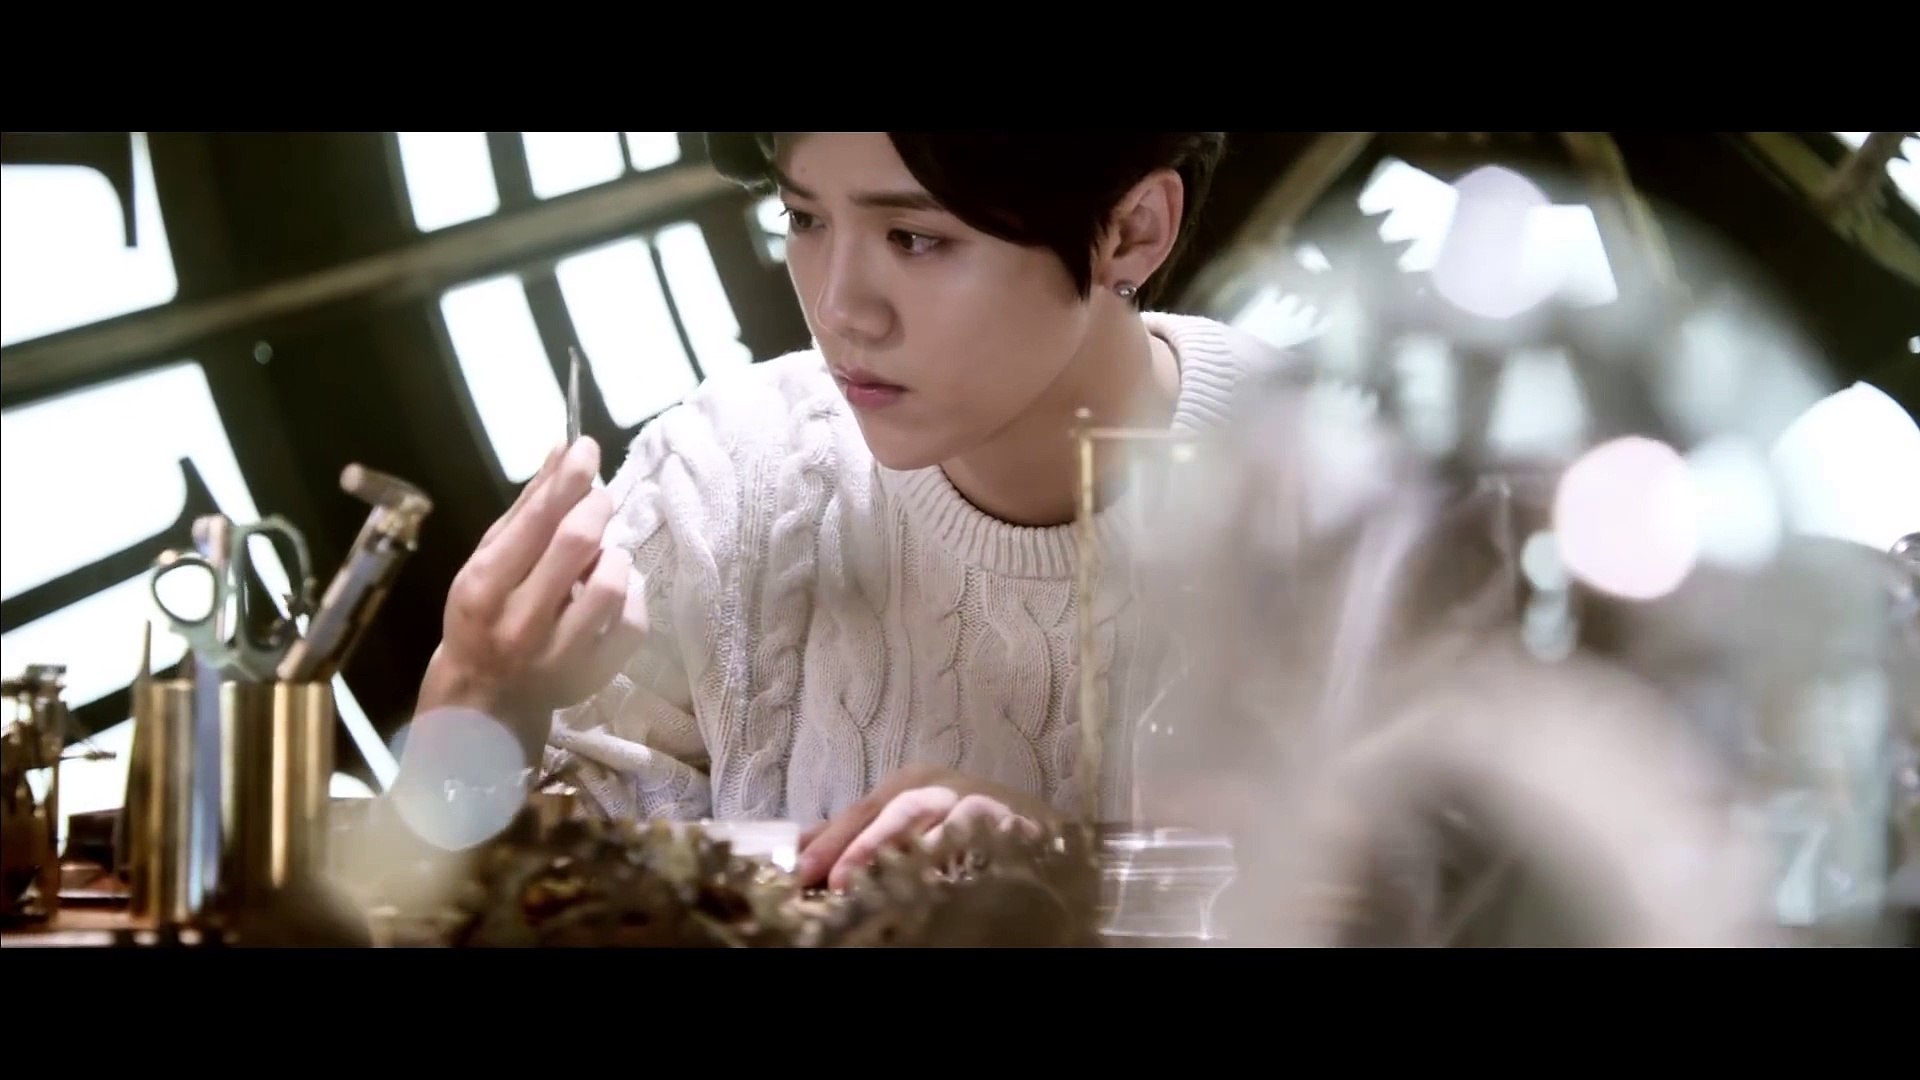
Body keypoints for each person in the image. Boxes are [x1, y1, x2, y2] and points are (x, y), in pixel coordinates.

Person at [407, 131, 1286, 891]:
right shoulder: (719, 479)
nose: (839, 310)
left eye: (914, 237)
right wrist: (476, 705)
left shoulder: (1339, 508)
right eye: (803, 219)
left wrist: (1091, 885)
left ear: (1133, 231)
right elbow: (480, 902)